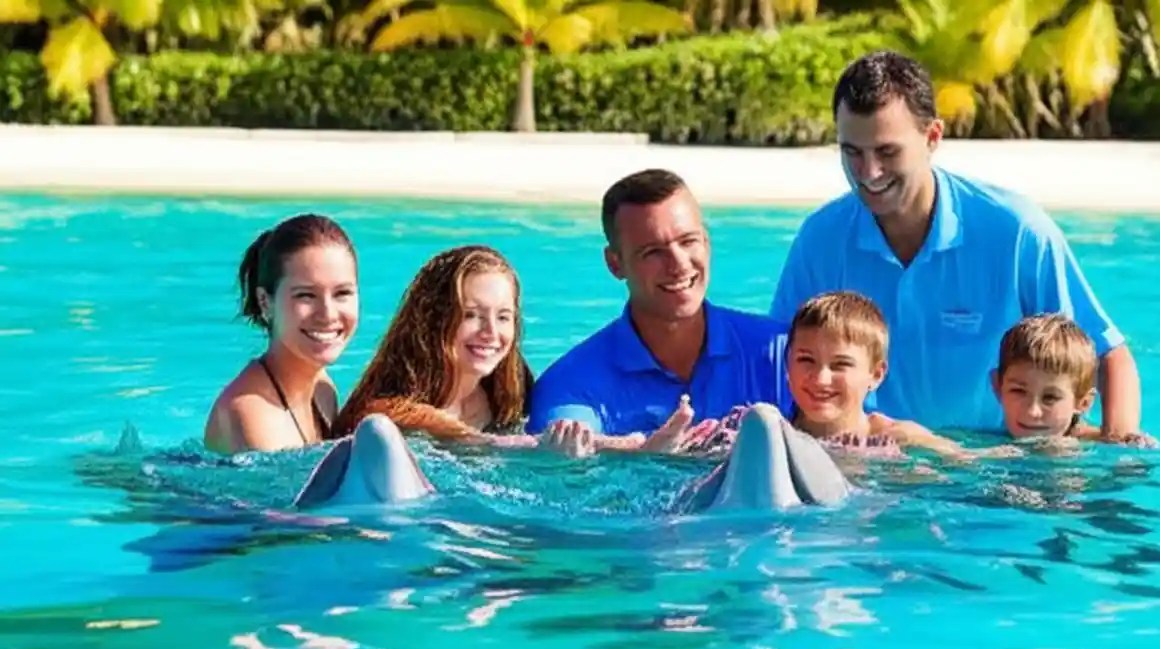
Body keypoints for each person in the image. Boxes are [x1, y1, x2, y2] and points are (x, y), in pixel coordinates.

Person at [770, 50, 1142, 438]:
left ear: (932, 137)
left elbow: (1106, 354)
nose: (869, 173)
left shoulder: (1016, 231)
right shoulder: (820, 238)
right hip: (878, 468)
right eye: (852, 153)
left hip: (995, 471)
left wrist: (1119, 449)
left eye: (887, 151)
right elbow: (777, 354)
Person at [528, 168, 793, 446]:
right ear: (615, 264)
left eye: (688, 241)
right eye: (653, 252)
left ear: (707, 242)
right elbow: (567, 473)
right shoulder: (571, 387)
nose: (679, 264)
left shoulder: (782, 353)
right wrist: (645, 454)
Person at [678, 291, 1018, 462]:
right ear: (787, 363)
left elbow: (974, 464)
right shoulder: (756, 433)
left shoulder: (896, 438)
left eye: (840, 365)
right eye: (806, 360)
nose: (820, 378)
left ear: (877, 373)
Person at [333, 244, 536, 445]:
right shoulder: (384, 410)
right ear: (432, 320)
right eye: (471, 315)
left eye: (503, 317)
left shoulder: (514, 388)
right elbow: (376, 417)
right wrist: (474, 439)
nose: (490, 332)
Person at [204, 214, 359, 454]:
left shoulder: (322, 388)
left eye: (342, 293)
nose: (328, 314)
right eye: (306, 295)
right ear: (265, 302)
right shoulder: (250, 414)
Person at [992, 313, 1157, 447]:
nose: (1032, 411)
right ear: (997, 387)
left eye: (1050, 398)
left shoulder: (1090, 443)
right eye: (1019, 391)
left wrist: (1136, 444)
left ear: (1083, 402)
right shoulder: (991, 444)